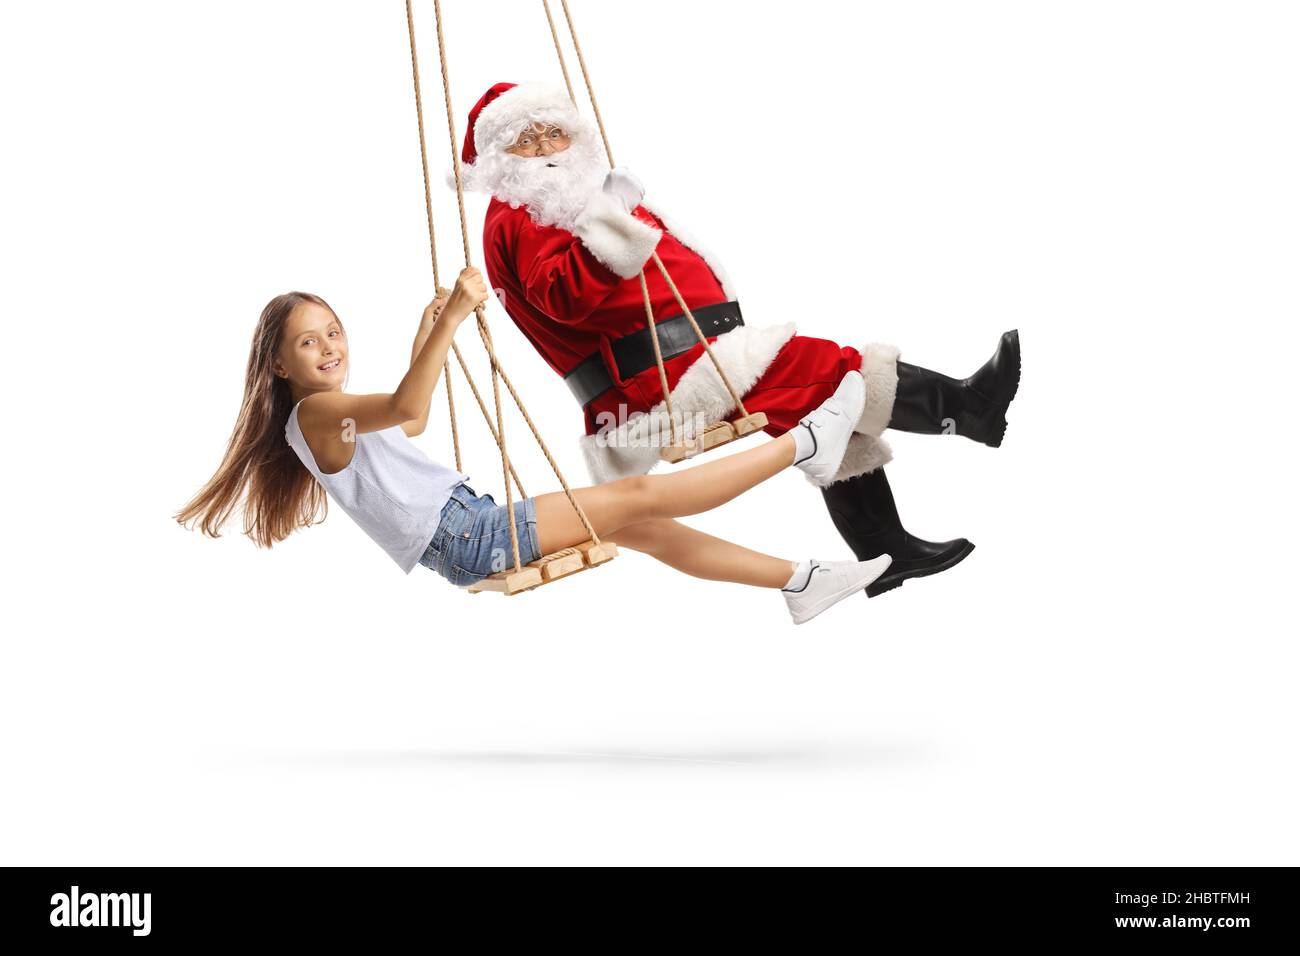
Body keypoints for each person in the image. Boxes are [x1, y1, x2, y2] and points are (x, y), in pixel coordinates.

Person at [461, 81, 1022, 597]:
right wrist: (611, 216)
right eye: (525, 141)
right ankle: (972, 407)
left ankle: (888, 550)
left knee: (825, 406)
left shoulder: (563, 197)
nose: (546, 147)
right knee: (835, 374)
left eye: (554, 132)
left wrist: (606, 209)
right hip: (659, 379)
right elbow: (563, 295)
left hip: (685, 359)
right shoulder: (518, 211)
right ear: (500, 160)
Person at [175, 267, 894, 624]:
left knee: (647, 526)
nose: (329, 346)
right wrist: (451, 318)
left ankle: (798, 583)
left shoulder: (324, 419)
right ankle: (804, 445)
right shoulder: (317, 414)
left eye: (333, 331)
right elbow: (408, 406)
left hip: (469, 534)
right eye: (308, 342)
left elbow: (406, 425)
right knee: (638, 494)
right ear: (279, 364)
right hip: (473, 535)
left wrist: (429, 333)